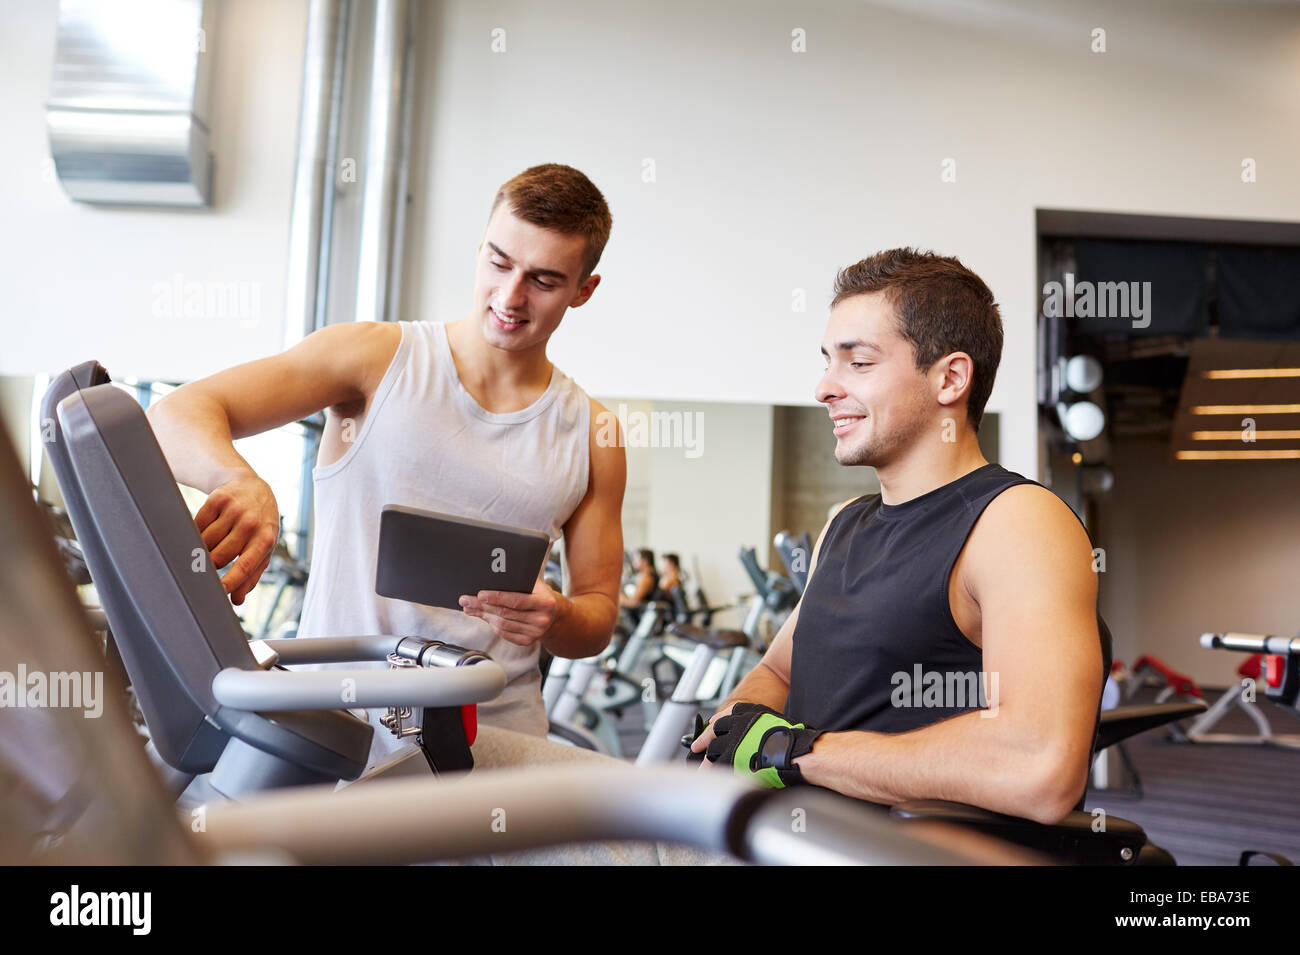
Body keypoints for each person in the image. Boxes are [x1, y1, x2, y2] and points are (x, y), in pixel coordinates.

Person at [146, 163, 626, 761]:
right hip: (339, 720)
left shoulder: (594, 432)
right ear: (480, 249)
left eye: (545, 280)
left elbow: (599, 617)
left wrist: (556, 617)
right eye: (499, 262)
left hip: (489, 736)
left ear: (584, 290)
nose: (510, 296)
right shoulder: (376, 356)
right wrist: (235, 477)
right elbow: (177, 412)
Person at [692, 248, 1104, 827]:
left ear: (950, 379)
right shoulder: (846, 521)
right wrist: (738, 727)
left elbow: (1038, 764)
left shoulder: (1016, 522)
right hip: (789, 837)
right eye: (828, 362)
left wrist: (794, 752)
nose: (823, 388)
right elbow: (781, 672)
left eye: (857, 363)